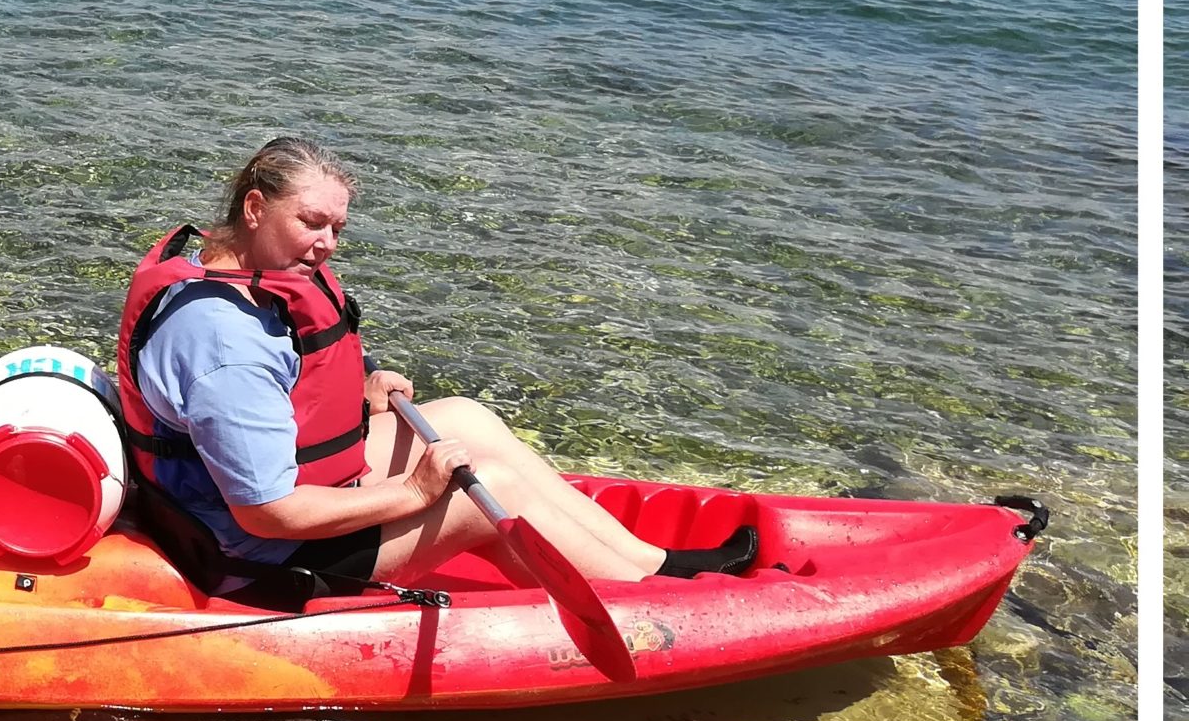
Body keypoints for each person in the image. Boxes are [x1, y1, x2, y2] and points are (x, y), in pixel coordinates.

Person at [115, 136, 758, 596]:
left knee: (464, 420)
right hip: (252, 551)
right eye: (311, 222)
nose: (328, 244)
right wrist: (413, 493)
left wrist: (354, 390)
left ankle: (653, 563)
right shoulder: (225, 343)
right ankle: (654, 603)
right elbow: (269, 512)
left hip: (258, 505)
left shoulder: (228, 275)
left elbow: (281, 390)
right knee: (489, 490)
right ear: (255, 209)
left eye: (338, 227)